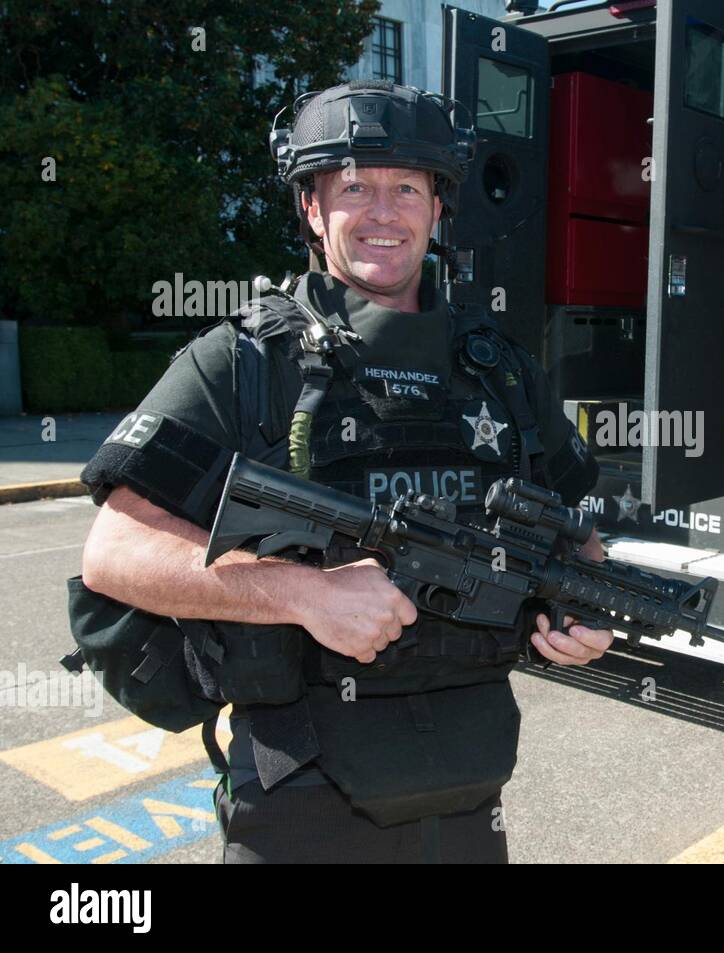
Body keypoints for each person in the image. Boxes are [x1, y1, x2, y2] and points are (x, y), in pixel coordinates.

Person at [77, 80, 611, 863]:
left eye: (407, 187)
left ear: (438, 208)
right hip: (298, 802)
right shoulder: (244, 361)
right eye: (355, 186)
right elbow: (113, 553)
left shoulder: (500, 371)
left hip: (466, 801)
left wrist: (583, 610)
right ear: (312, 209)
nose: (384, 212)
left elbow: (576, 535)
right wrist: (306, 594)